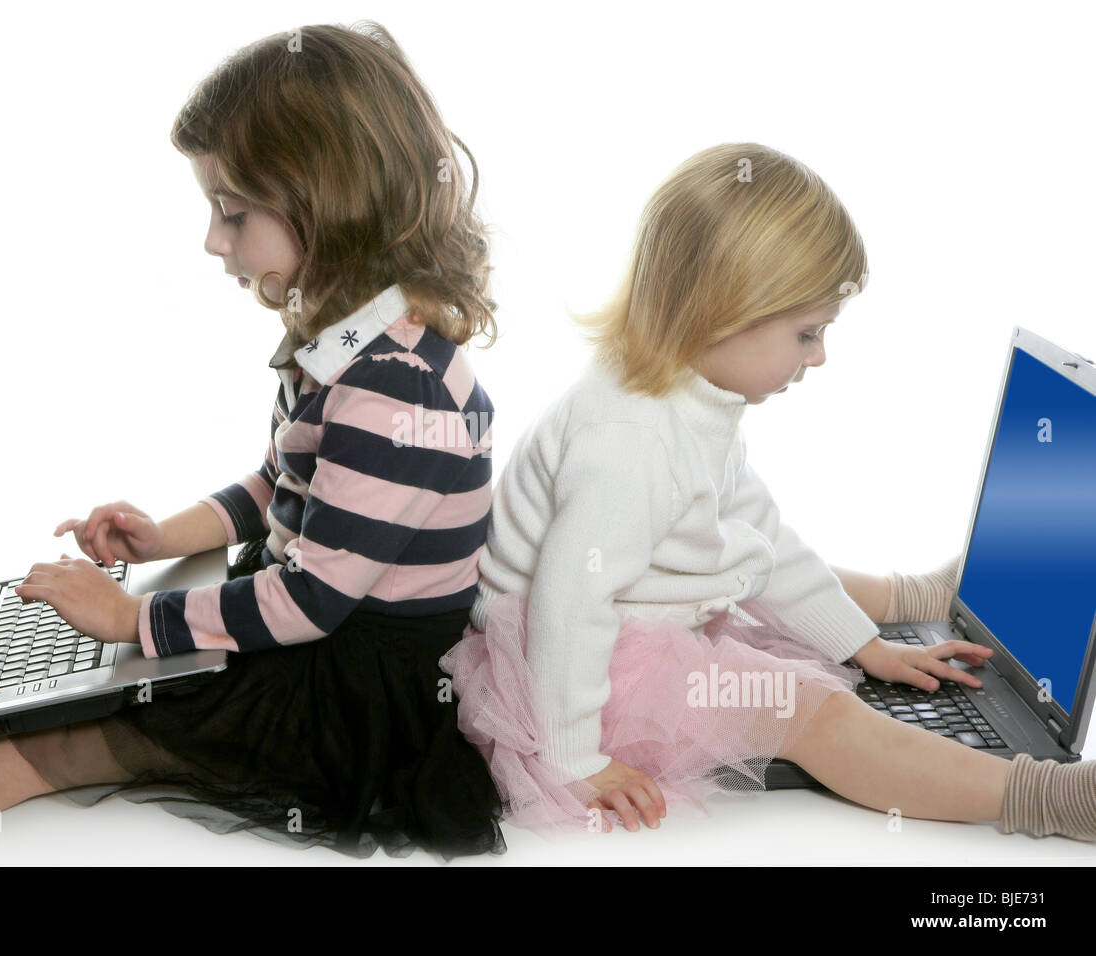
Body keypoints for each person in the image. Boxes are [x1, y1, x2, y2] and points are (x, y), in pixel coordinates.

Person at [0, 21, 506, 860]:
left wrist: (135, 619)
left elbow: (314, 600)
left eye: (233, 213)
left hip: (343, 691)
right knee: (38, 667)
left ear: (332, 199)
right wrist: (166, 537)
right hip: (314, 621)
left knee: (51, 741)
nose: (213, 240)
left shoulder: (394, 387)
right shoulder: (350, 341)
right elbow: (280, 484)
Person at [440, 142, 1096, 843]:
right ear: (722, 312)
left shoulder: (689, 394)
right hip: (576, 673)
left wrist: (862, 644)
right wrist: (574, 756)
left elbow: (759, 535)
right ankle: (1046, 798)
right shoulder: (629, 440)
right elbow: (571, 602)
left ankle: (916, 600)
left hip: (628, 618)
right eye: (806, 333)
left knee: (745, 558)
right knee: (805, 709)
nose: (819, 357)